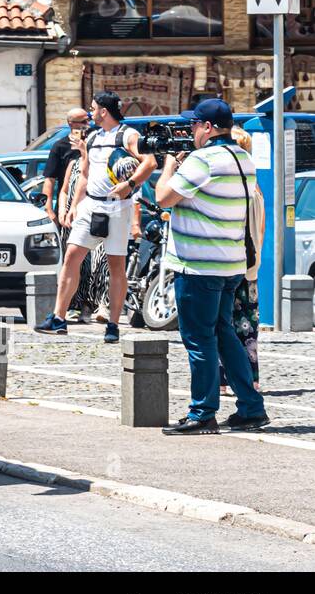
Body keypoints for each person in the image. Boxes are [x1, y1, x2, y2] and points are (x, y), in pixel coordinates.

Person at [155, 99, 268, 435]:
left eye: (193, 125)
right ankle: (251, 407)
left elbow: (164, 198)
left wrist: (167, 166)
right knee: (223, 333)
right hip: (230, 263)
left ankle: (202, 412)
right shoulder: (242, 158)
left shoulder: (203, 160)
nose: (190, 130)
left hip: (198, 265)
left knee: (198, 338)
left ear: (206, 127)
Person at [35, 92, 155, 344]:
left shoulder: (128, 135)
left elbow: (150, 162)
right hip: (91, 205)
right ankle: (58, 318)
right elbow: (86, 174)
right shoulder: (91, 137)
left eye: (93, 109)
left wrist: (130, 184)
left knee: (116, 266)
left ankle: (112, 324)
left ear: (104, 111)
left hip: (118, 207)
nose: (90, 113)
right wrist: (75, 206)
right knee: (71, 257)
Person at [222, 127, 264, 393]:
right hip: (249, 266)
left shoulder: (237, 187)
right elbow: (260, 230)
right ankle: (250, 377)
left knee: (224, 322)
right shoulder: (254, 185)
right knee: (246, 326)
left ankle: (226, 380)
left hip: (231, 262)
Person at [41, 108, 90, 225]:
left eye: (88, 120)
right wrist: (48, 209)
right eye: (83, 122)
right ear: (71, 124)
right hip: (67, 203)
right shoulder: (60, 146)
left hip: (90, 201)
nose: (88, 124)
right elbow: (49, 179)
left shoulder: (93, 141)